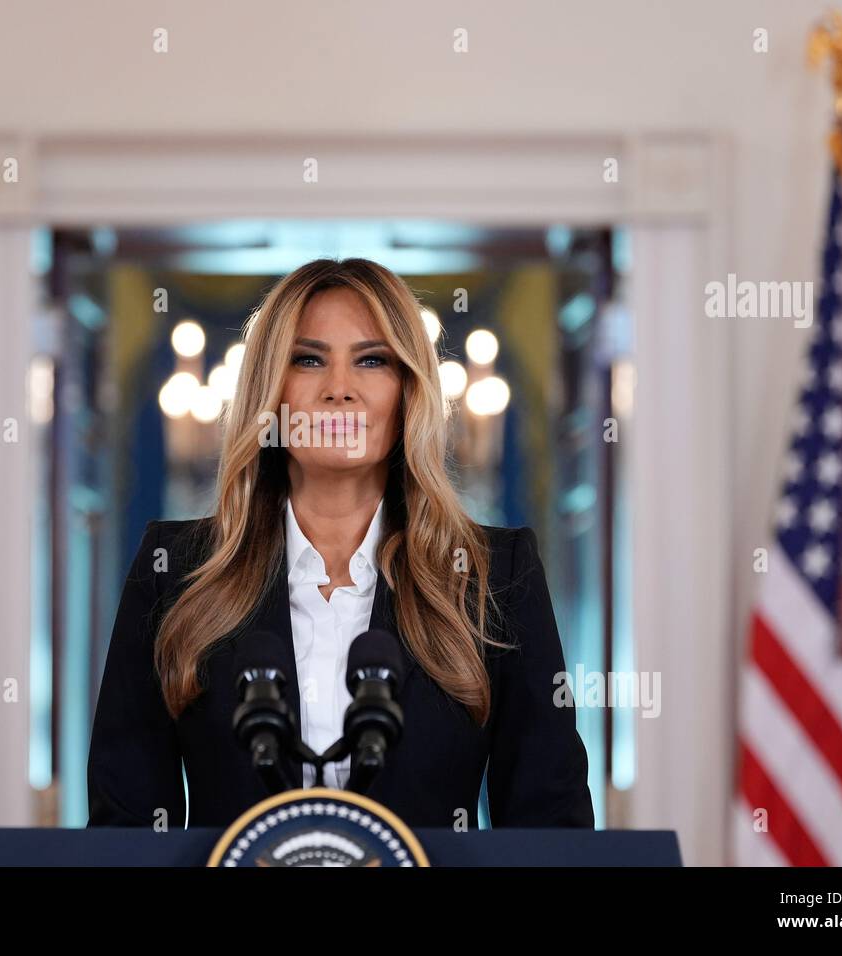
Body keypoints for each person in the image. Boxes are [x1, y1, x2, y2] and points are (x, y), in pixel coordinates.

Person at [87, 257, 594, 830]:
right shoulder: (173, 571)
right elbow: (124, 830)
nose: (339, 390)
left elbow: (551, 827)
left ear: (408, 391)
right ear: (269, 390)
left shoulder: (495, 574)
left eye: (372, 361)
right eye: (308, 360)